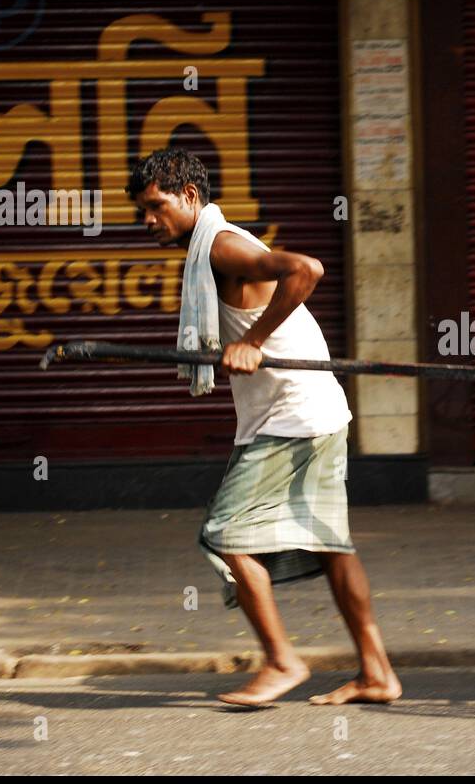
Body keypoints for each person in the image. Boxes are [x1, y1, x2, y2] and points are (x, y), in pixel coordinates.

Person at [129, 147, 400, 707]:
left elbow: (307, 269)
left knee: (226, 533)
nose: (148, 221)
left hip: (293, 418)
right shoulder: (216, 244)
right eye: (142, 211)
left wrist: (251, 342)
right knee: (332, 548)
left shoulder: (224, 246)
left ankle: (281, 661)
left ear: (188, 197)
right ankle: (377, 674)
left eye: (155, 207)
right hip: (314, 412)